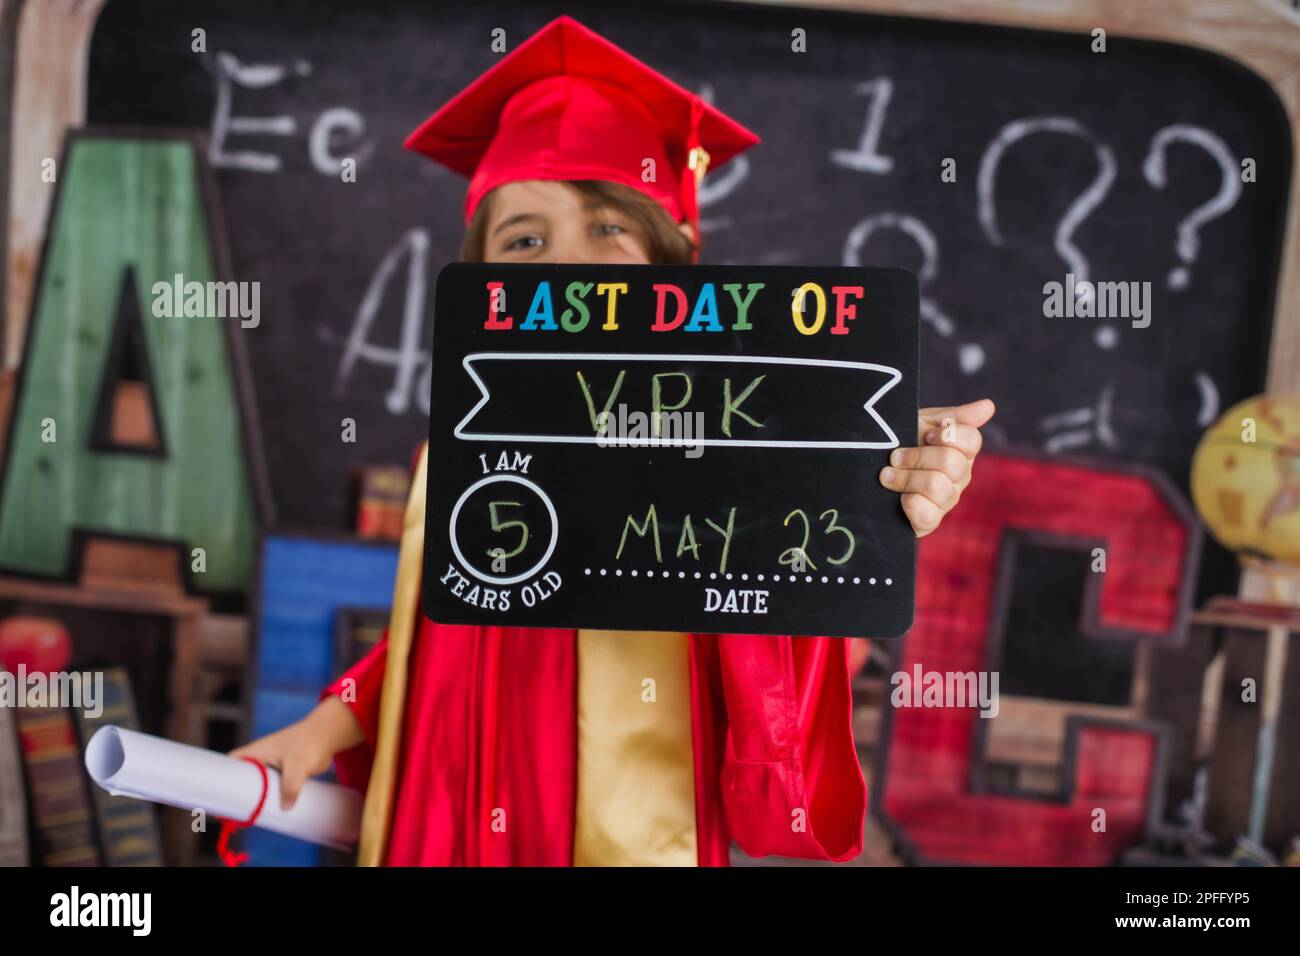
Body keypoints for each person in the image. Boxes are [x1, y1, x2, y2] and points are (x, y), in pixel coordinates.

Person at [233, 15, 994, 866]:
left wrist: (866, 489)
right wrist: (320, 728)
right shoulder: (453, 454)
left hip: (629, 829)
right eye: (524, 239)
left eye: (606, 228)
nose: (565, 265)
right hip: (449, 810)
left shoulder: (727, 448)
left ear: (673, 265)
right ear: (480, 288)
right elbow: (429, 638)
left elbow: (781, 643)